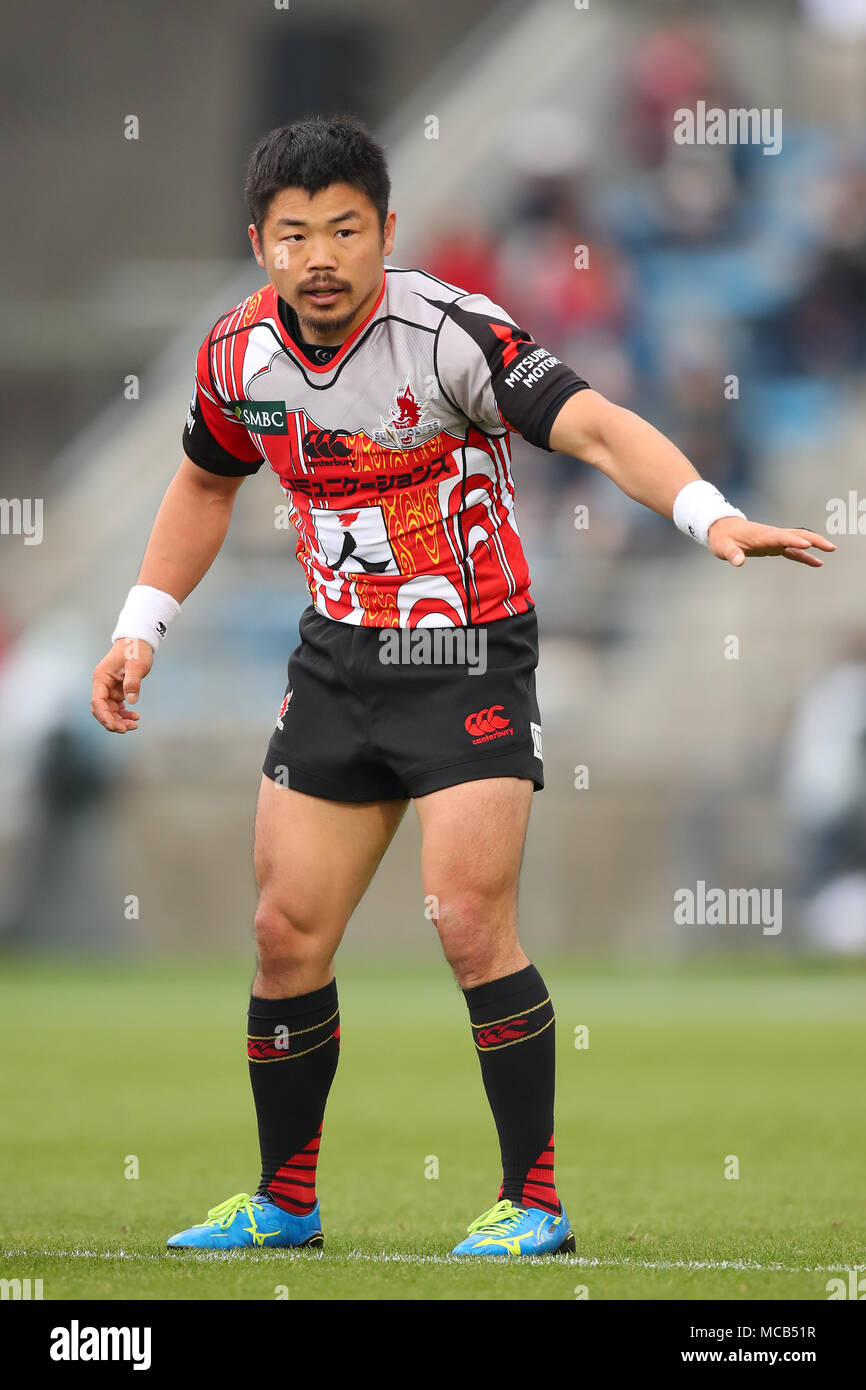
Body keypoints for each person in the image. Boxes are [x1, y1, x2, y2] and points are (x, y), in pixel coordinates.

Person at [90, 114, 834, 1258]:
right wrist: (141, 626)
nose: (321, 256)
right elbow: (202, 483)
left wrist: (706, 512)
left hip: (466, 656)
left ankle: (530, 1203)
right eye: (296, 235)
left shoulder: (451, 334)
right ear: (260, 245)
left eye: (346, 228)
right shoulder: (236, 356)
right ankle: (285, 1201)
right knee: (284, 932)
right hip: (336, 660)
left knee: (468, 918)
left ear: (387, 229)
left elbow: (589, 423)